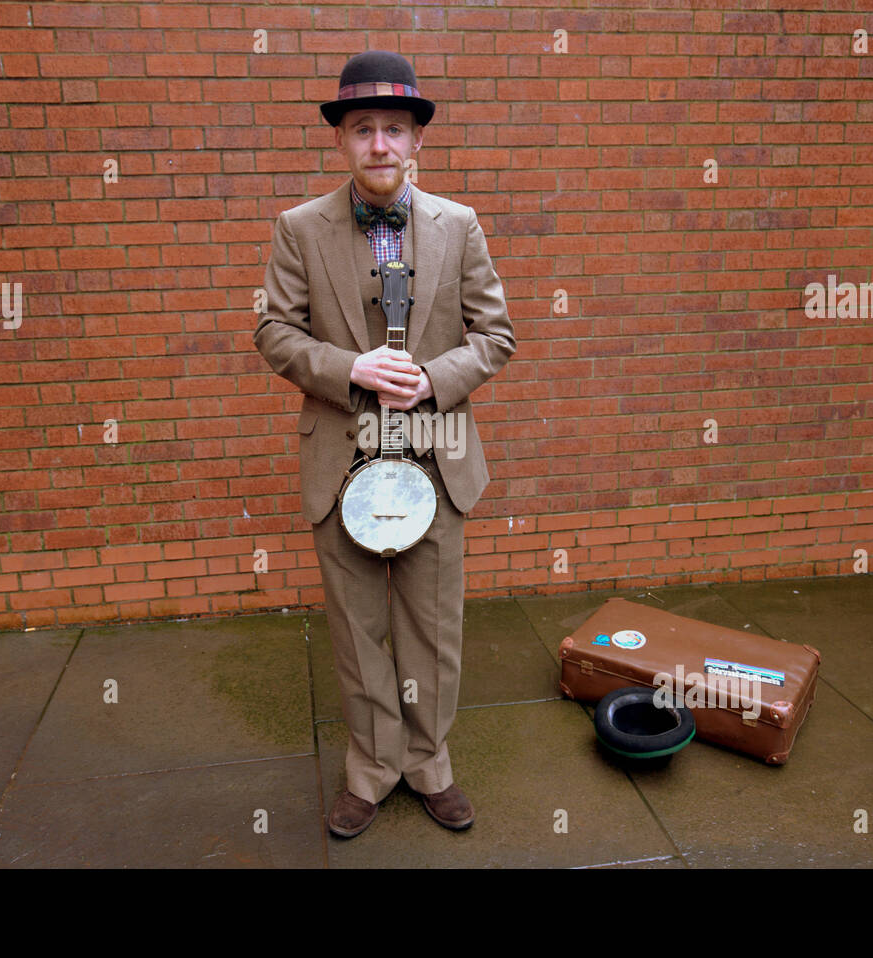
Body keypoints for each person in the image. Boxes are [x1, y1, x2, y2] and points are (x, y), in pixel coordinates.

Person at [253, 50, 515, 838]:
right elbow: (272, 328)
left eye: (393, 130)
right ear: (342, 140)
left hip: (434, 454)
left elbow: (496, 336)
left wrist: (435, 377)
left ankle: (430, 763)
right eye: (362, 128)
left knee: (434, 629)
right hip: (344, 459)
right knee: (358, 629)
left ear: (417, 143)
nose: (379, 145)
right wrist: (347, 366)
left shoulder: (459, 225)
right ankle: (370, 771)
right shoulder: (298, 229)